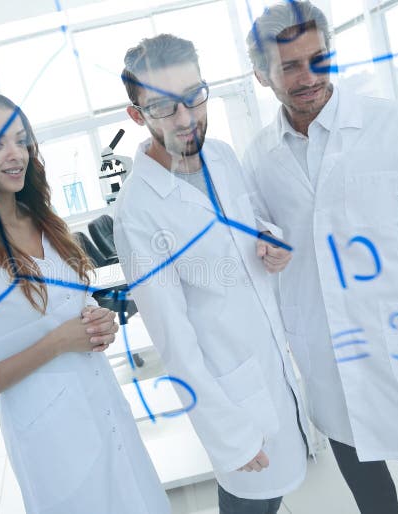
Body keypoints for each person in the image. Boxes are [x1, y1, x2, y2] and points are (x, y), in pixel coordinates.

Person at [242, 3, 398, 513]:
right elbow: (259, 237)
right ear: (260, 74)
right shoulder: (259, 157)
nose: (308, 76)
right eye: (289, 65)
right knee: (371, 500)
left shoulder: (397, 126)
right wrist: (264, 241)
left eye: (317, 58)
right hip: (327, 361)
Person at [0, 93, 170, 514]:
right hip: (50, 440)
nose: (15, 154)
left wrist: (97, 321)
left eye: (21, 140)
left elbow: (69, 305)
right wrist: (56, 342)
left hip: (105, 407)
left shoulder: (42, 219)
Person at [113, 34, 310, 514]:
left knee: (275, 492)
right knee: (250, 499)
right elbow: (173, 342)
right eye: (163, 107)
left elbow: (243, 224)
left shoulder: (219, 153)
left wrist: (269, 238)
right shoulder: (137, 213)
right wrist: (229, 437)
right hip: (230, 392)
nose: (186, 119)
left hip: (272, 363)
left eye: (193, 97)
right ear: (137, 115)